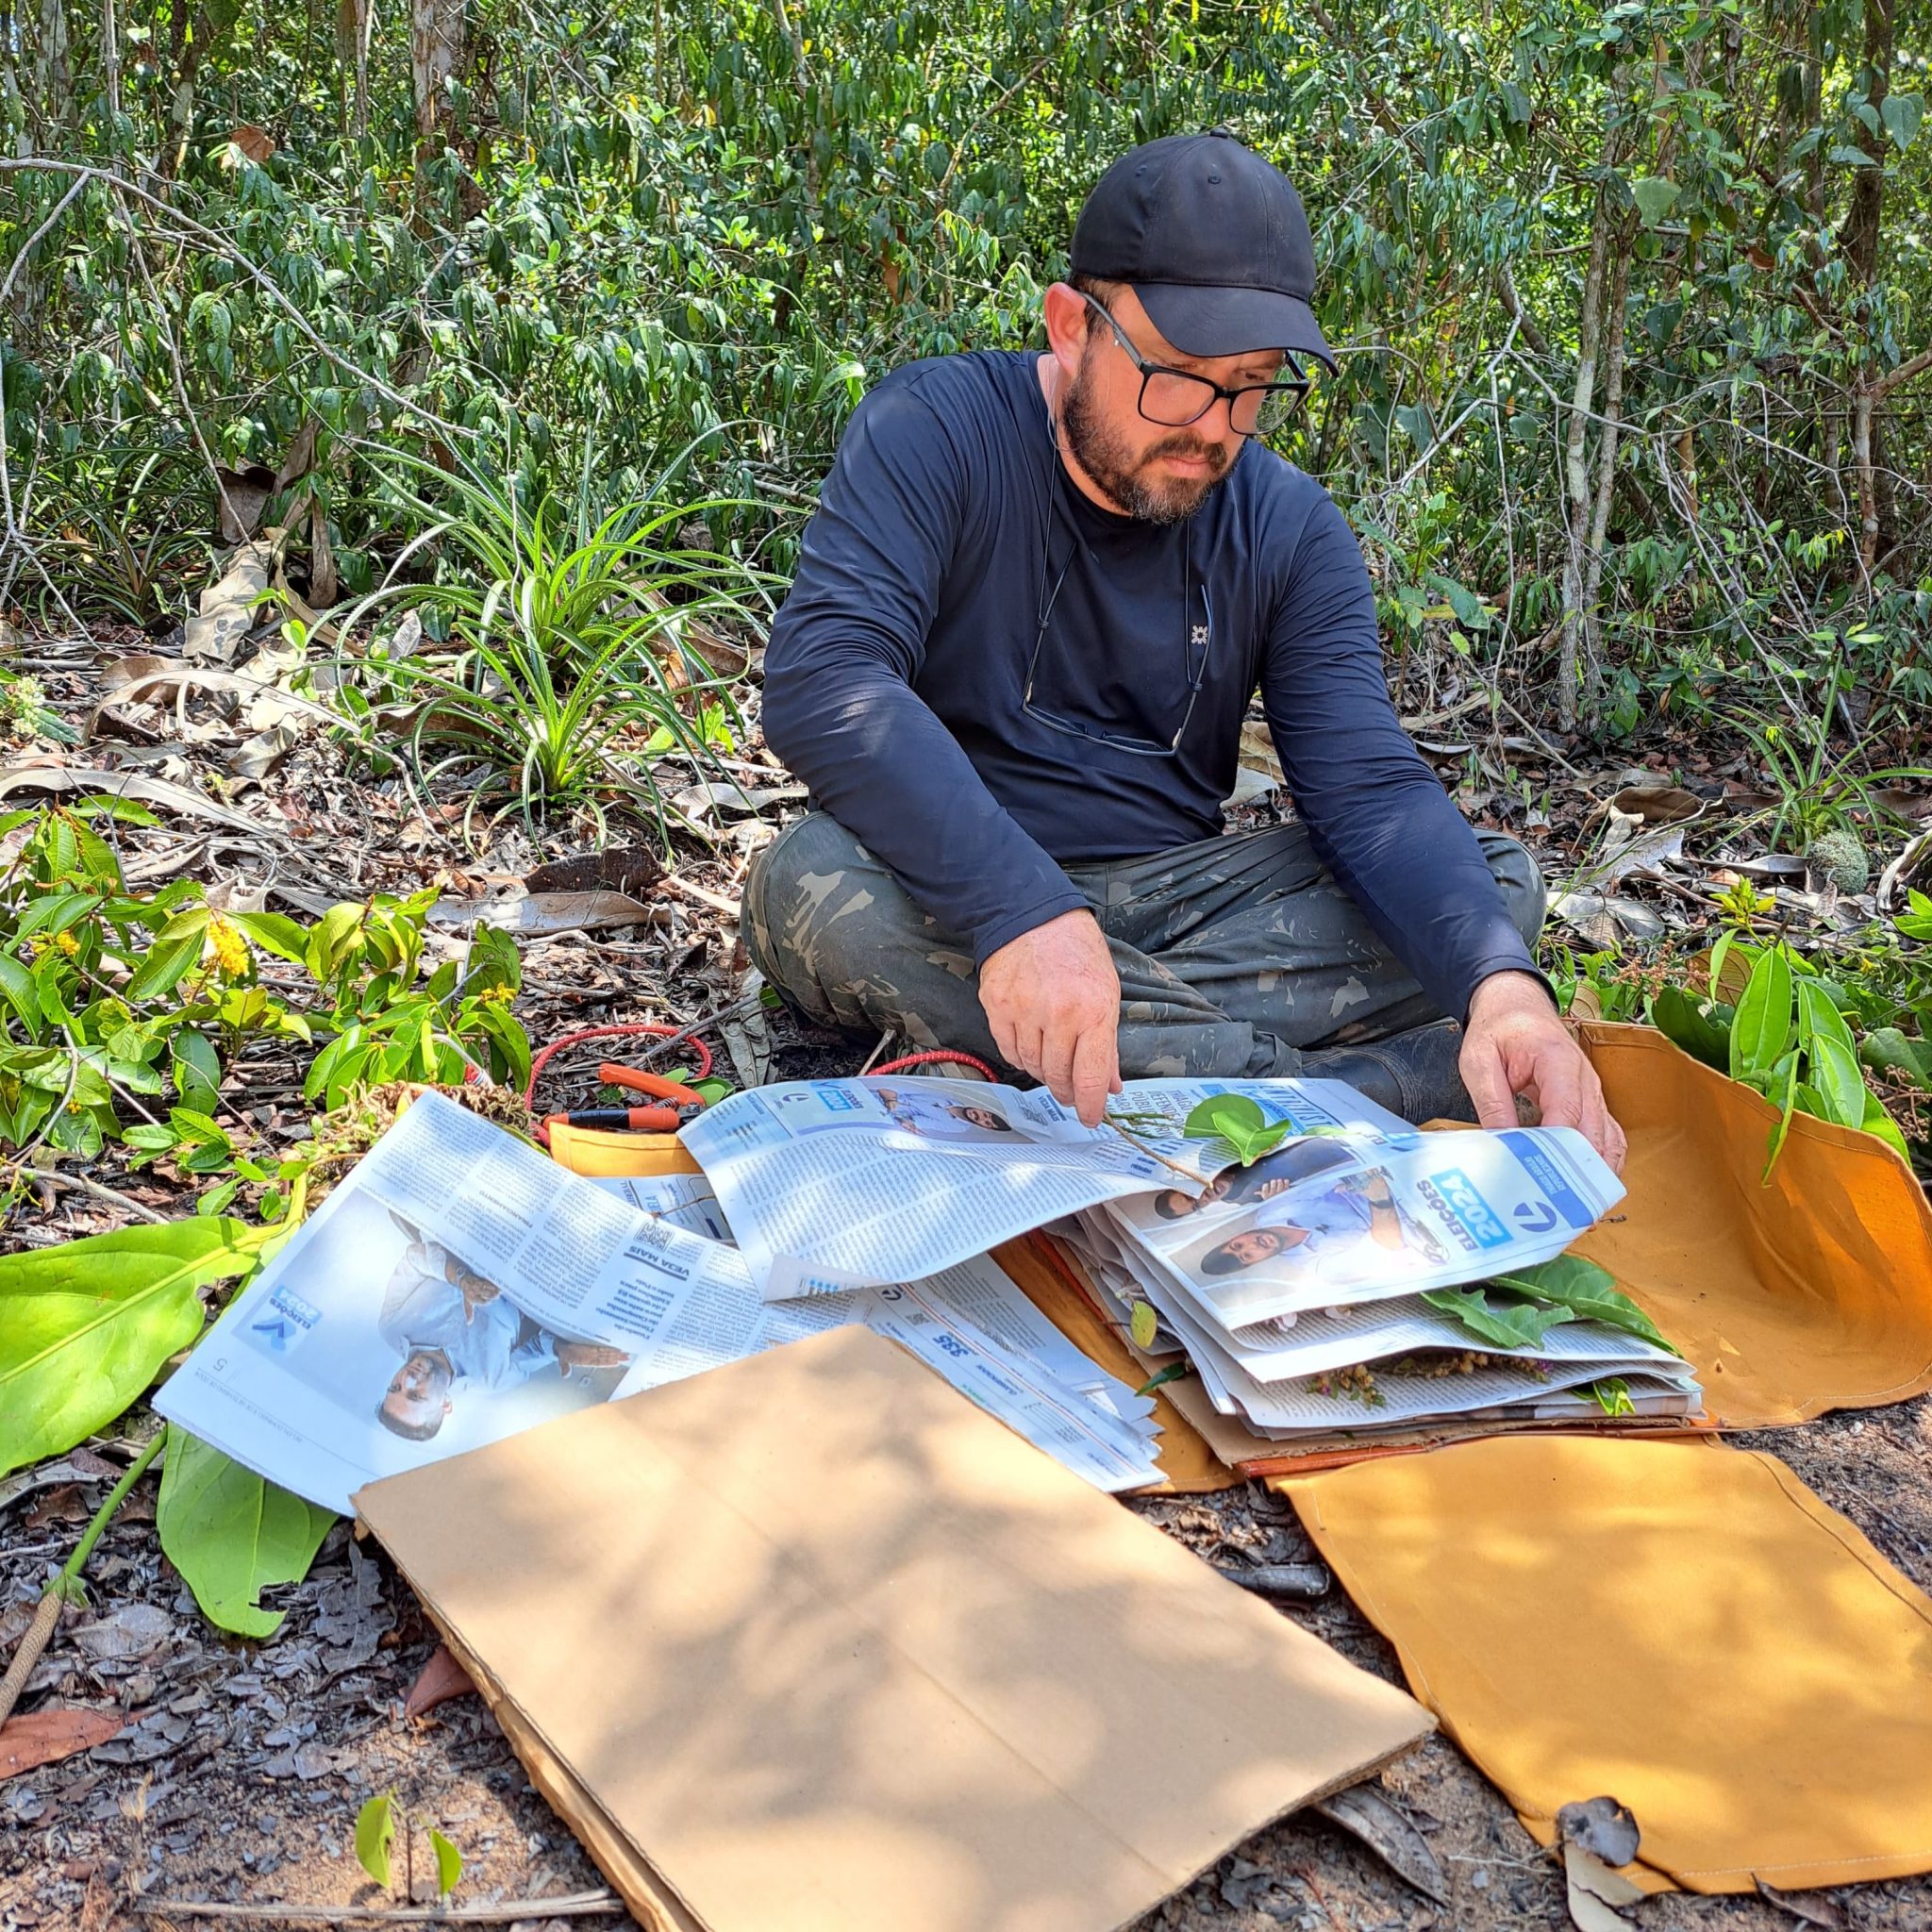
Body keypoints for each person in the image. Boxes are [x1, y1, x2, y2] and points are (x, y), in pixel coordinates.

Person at [746, 128, 1624, 1172]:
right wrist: (1024, 907)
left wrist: (1505, 995)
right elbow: (825, 678)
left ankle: (1155, 1072)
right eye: (1177, 377)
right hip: (959, 892)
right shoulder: (933, 430)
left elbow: (1367, 790)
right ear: (1071, 325)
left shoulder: (1288, 529)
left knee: (1490, 888)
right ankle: (1364, 1093)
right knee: (806, 885)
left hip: (1187, 905)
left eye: (1249, 386)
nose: (1211, 426)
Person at [374, 1218, 630, 1441]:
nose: (407, 1379)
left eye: (395, 1387)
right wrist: (563, 1350)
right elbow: (541, 1347)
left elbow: (415, 1258)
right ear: (445, 1404)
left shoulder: (392, 1326)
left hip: (476, 1233)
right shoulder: (491, 1380)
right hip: (538, 1270)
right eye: (416, 1396)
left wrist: (462, 1278)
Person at [1197, 1171, 1425, 1278]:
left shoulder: (1272, 1207)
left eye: (1238, 1246)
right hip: (1424, 1214)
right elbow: (1388, 1245)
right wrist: (1380, 1199)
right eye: (1247, 1256)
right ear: (1254, 1264)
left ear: (1234, 1237)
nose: (1254, 1246)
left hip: (1397, 1173)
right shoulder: (1316, 1268)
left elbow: (1331, 1177)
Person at [1149, 1133, 1357, 1219]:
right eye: (1196, 1206)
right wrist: (1286, 1199)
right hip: (1349, 1148)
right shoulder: (1256, 1198)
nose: (1202, 1198)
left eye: (1189, 1194)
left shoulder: (1211, 1146)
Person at [873, 1084, 1018, 1141]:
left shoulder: (958, 1127)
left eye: (986, 1123)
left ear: (982, 1127)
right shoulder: (951, 1099)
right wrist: (891, 1096)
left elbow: (915, 1122)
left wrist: (897, 1111)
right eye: (985, 1115)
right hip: (879, 1094)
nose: (979, 1116)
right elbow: (903, 1089)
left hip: (883, 1114)